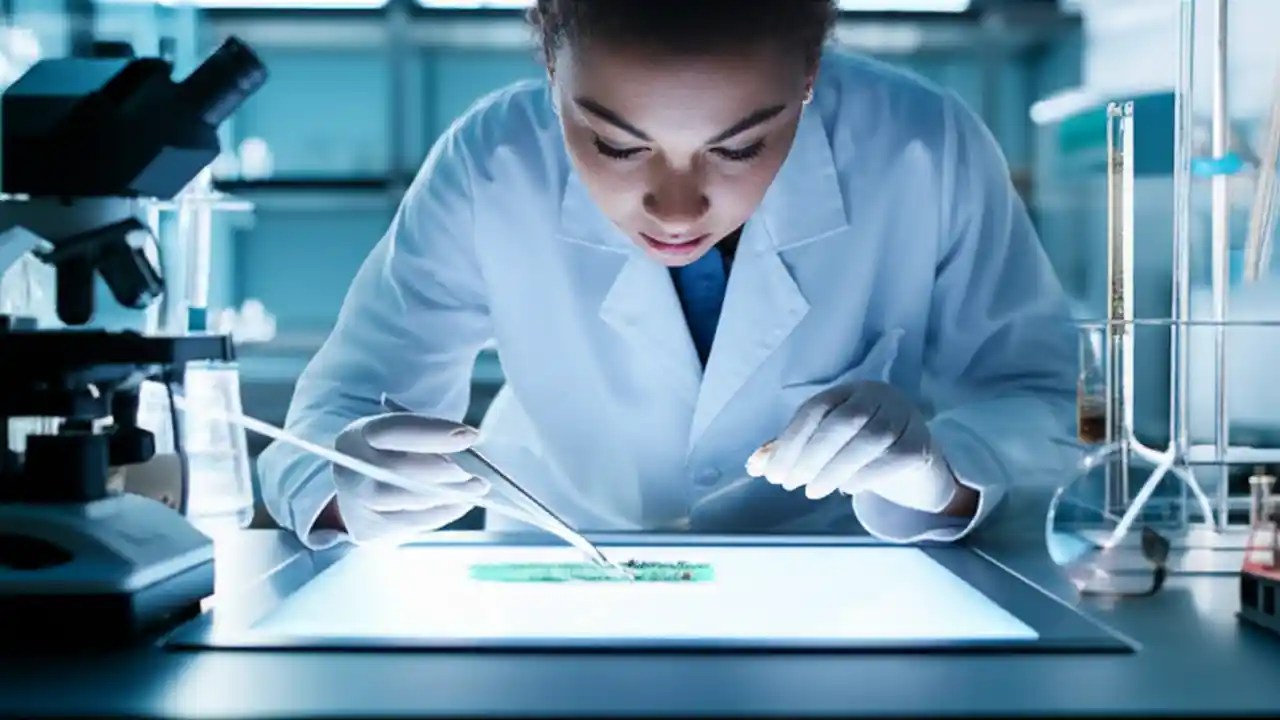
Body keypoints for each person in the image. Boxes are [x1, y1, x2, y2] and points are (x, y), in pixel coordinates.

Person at [258, 0, 1076, 550]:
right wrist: (349, 484)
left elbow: (1045, 406)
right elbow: (331, 414)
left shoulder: (921, 147)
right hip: (555, 584)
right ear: (551, 70)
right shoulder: (493, 162)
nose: (677, 209)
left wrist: (943, 470)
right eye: (616, 145)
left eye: (740, 145)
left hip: (837, 599)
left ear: (808, 78)